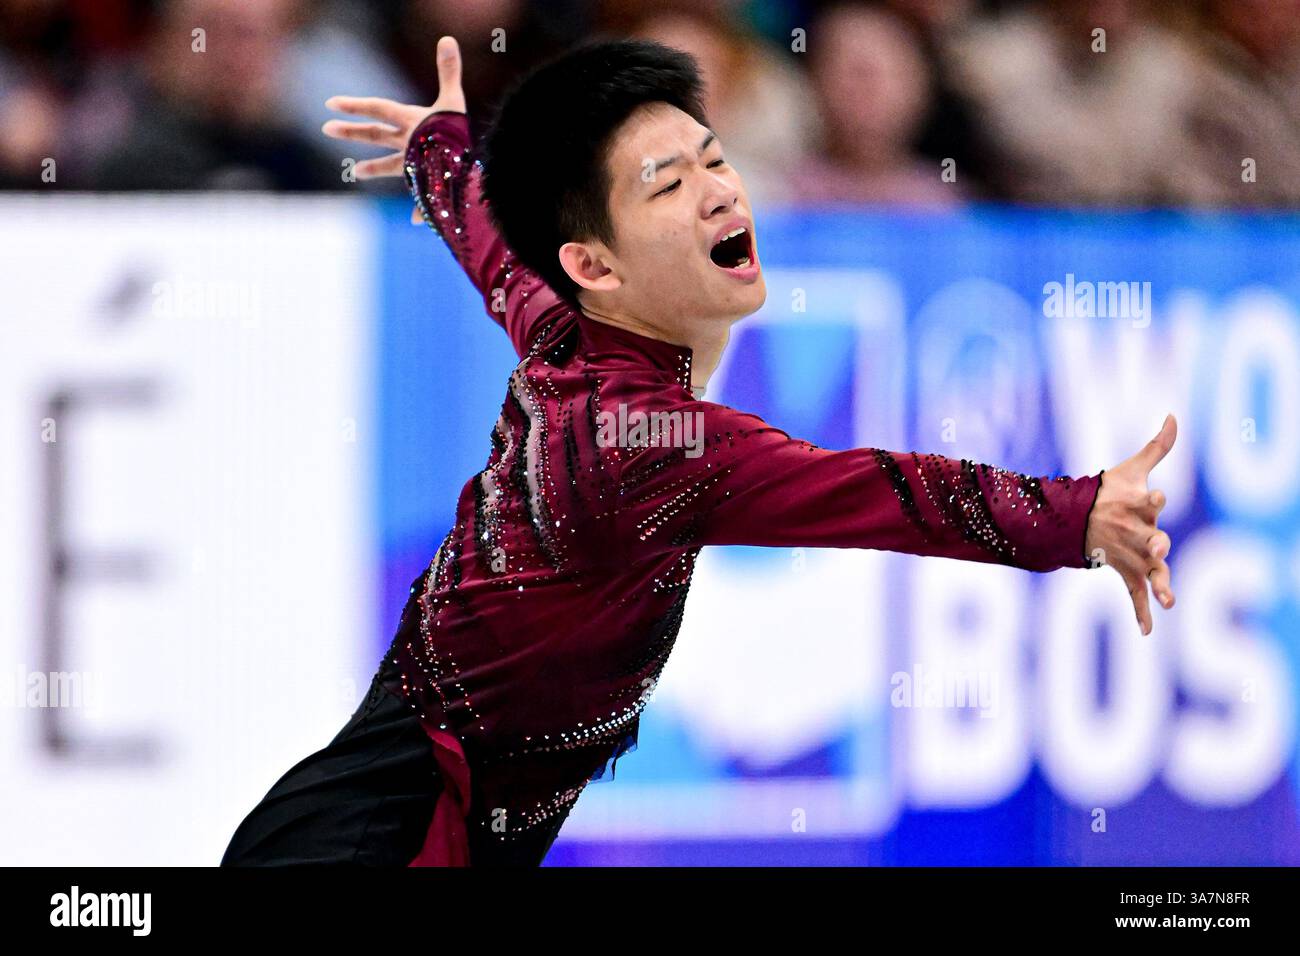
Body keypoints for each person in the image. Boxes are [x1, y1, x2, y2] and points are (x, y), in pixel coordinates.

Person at [222, 35, 1177, 867]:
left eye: (714, 160)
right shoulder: (651, 445)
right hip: (369, 846)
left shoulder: (566, 327)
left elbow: (489, 237)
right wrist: (1077, 513)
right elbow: (880, 491)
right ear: (596, 265)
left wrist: (442, 147)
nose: (718, 193)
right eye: (668, 185)